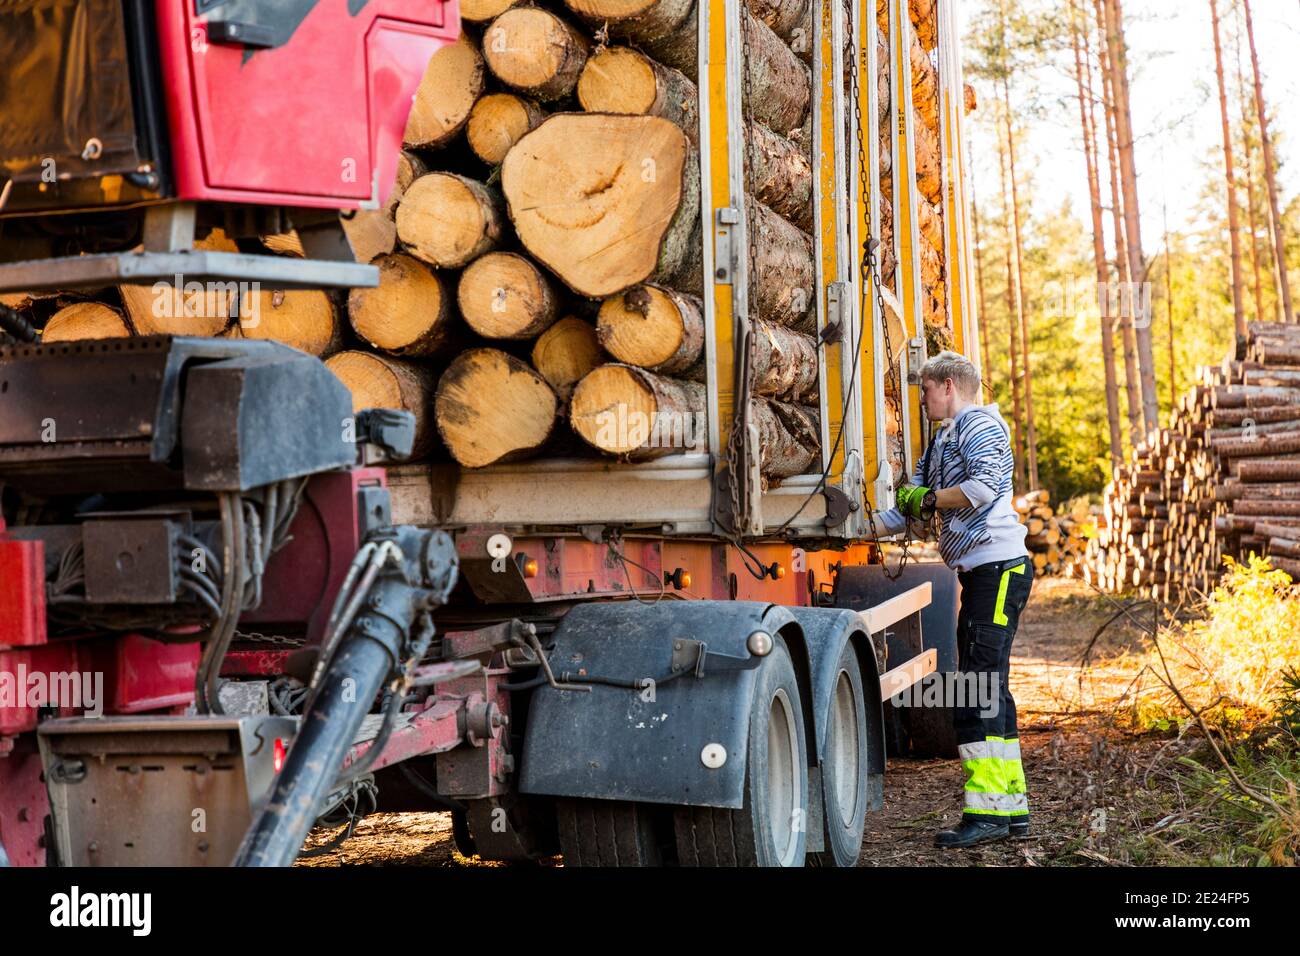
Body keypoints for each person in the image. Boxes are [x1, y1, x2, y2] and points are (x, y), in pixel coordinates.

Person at [871, 351, 1033, 848]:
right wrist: (858, 522)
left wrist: (928, 500)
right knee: (992, 691)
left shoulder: (980, 425)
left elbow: (982, 488)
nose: (921, 400)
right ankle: (1011, 810)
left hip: (999, 570)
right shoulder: (942, 440)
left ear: (948, 386)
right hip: (982, 575)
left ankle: (986, 814)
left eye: (925, 390)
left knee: (976, 693)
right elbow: (909, 508)